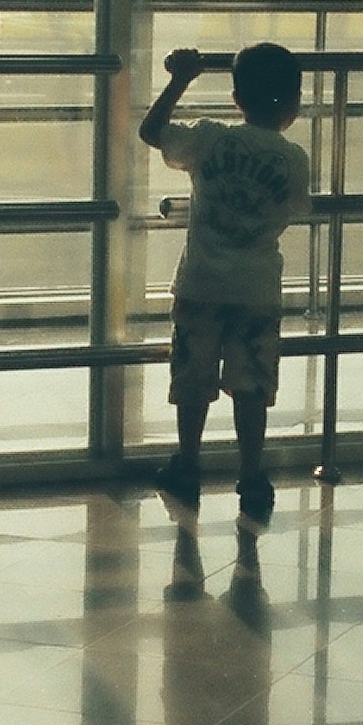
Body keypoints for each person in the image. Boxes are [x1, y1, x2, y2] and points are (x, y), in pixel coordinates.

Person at [139, 39, 309, 521]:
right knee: (252, 383)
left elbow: (152, 131)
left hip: (201, 283)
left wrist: (179, 80)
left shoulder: (210, 139)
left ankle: (188, 465)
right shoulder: (293, 159)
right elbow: (296, 205)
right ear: (294, 106)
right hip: (257, 290)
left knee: (193, 379)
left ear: (237, 99)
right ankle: (252, 475)